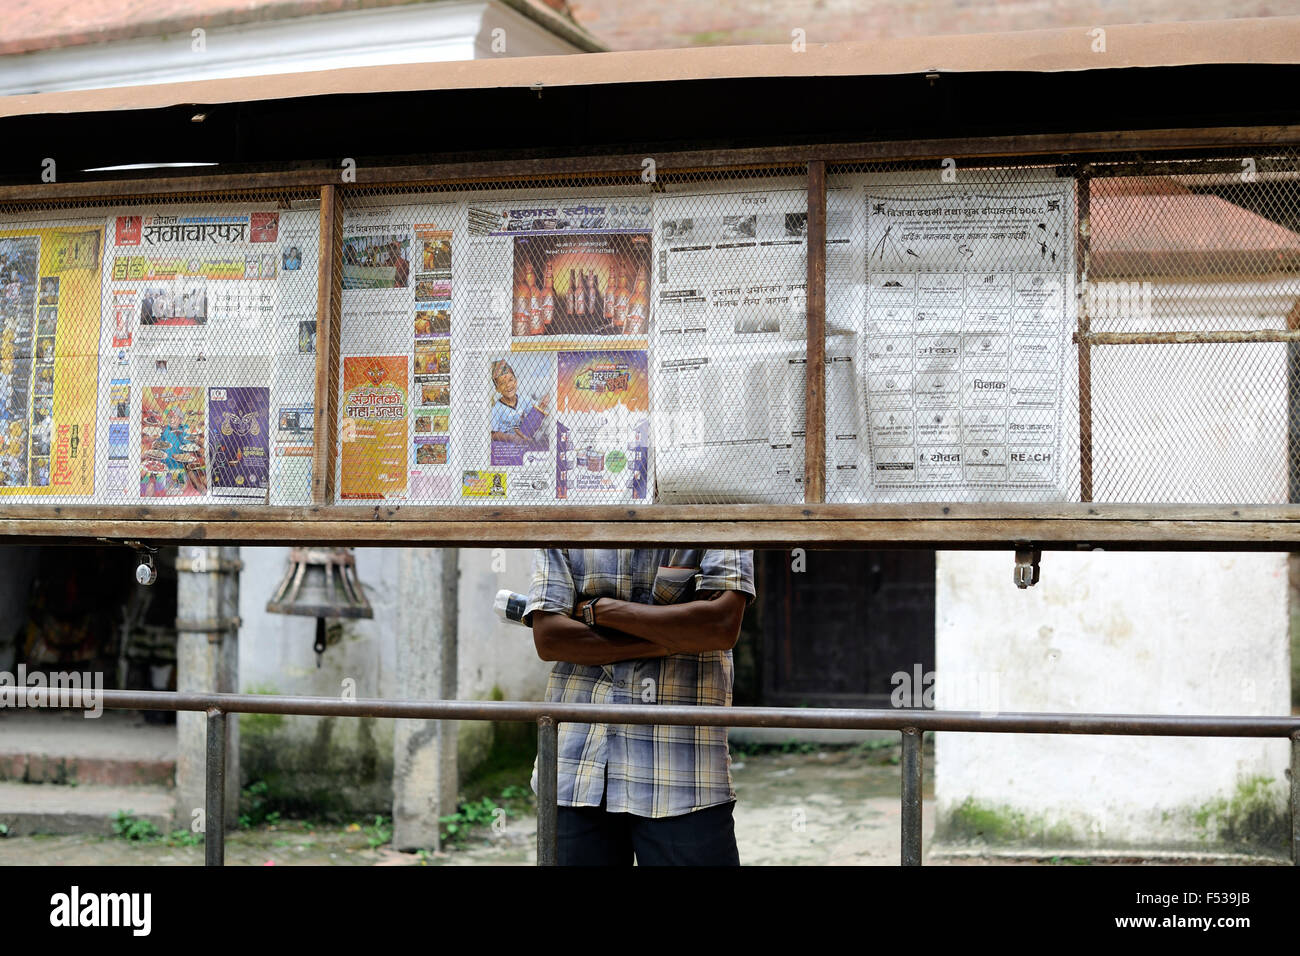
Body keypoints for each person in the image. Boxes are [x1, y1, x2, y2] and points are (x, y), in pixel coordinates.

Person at [523, 548, 755, 866]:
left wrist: (599, 609)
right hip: (579, 766)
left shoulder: (717, 508)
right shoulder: (571, 514)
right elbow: (550, 639)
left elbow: (720, 626)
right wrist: (670, 639)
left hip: (684, 771)